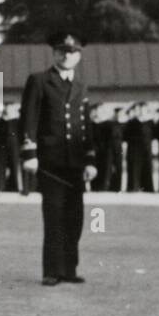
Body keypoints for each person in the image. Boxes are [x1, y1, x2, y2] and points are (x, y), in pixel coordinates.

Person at [21, 32, 98, 285]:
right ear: (54, 53)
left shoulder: (81, 85)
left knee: (75, 217)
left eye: (72, 52)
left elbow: (84, 125)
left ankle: (69, 269)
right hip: (50, 160)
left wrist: (90, 159)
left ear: (79, 56)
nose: (67, 55)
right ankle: (52, 271)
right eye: (62, 51)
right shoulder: (40, 80)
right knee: (54, 215)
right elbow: (29, 118)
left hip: (75, 161)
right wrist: (30, 153)